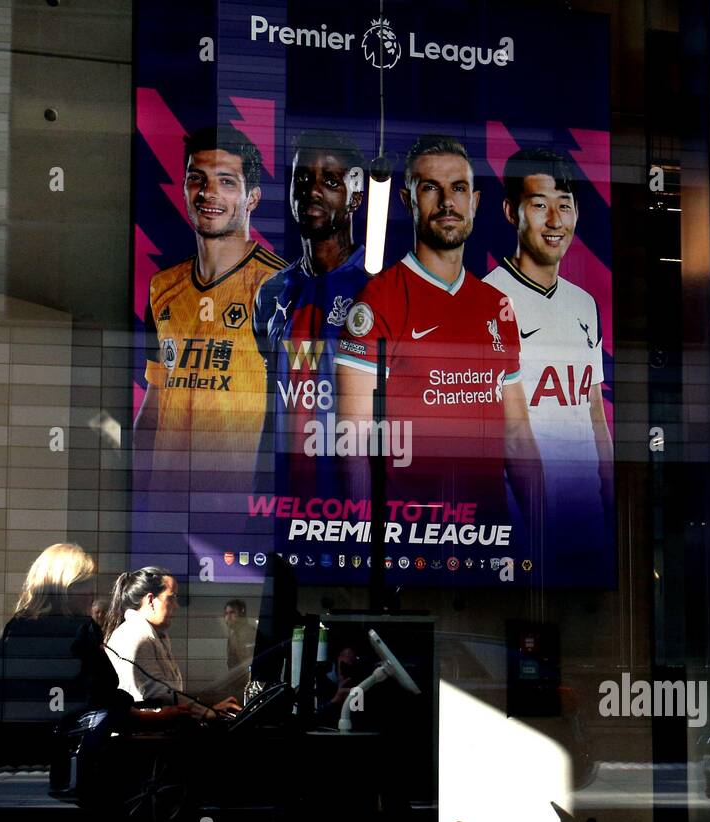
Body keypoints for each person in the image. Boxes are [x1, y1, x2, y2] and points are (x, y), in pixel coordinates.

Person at [334, 134, 543, 534]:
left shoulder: (496, 306)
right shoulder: (380, 298)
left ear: (475, 203)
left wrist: (543, 541)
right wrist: (363, 541)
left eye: (458, 188)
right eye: (431, 187)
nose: (447, 202)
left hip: (487, 540)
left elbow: (518, 438)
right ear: (407, 200)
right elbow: (354, 442)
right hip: (409, 538)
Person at [134, 125, 288, 499]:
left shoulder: (279, 285)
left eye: (226, 182)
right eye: (196, 179)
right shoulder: (163, 287)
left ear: (252, 197)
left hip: (235, 510)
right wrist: (134, 490)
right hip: (164, 503)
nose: (208, 193)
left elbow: (293, 414)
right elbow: (155, 397)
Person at [483, 147, 614, 566]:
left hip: (589, 523)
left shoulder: (585, 304)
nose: (555, 221)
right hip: (527, 530)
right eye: (540, 205)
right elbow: (507, 436)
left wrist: (613, 505)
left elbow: (595, 413)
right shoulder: (487, 299)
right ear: (511, 211)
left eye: (565, 206)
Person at [253, 129, 369, 502]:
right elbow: (274, 405)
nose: (312, 190)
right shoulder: (271, 292)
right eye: (302, 178)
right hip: (283, 504)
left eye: (330, 180)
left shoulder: (381, 289)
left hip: (356, 510)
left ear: (355, 198)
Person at [0, 543, 115, 770]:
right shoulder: (81, 629)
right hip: (51, 761)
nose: (93, 592)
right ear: (65, 588)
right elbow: (106, 691)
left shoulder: (13, 628)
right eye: (85, 583)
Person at [101, 567, 241, 723]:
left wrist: (208, 709)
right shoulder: (135, 635)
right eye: (171, 598)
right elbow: (158, 691)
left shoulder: (151, 635)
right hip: (143, 739)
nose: (176, 605)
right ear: (150, 600)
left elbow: (167, 692)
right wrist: (206, 712)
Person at [223, 598, 256, 670]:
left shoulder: (249, 633)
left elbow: (250, 662)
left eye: (232, 612)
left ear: (241, 614)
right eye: (226, 613)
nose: (228, 617)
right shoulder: (233, 635)